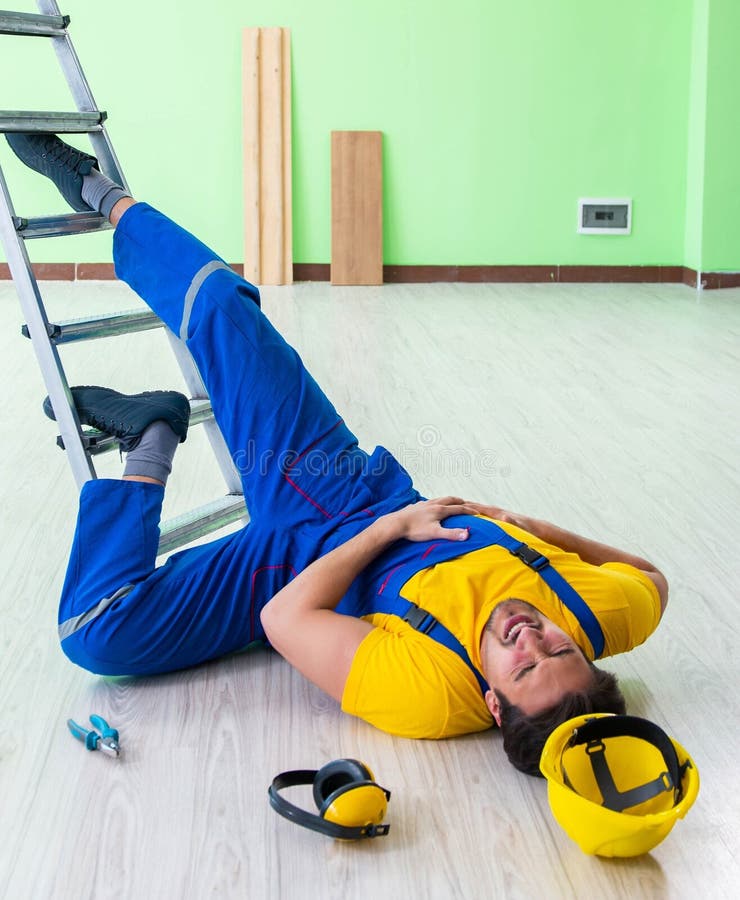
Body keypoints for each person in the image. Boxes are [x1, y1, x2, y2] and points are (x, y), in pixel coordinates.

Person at [6, 134, 668, 775]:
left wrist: (392, 530)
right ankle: (97, 192)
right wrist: (530, 526)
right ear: (588, 653)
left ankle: (150, 437)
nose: (531, 636)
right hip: (340, 491)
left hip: (292, 574)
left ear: (492, 704)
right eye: (561, 650)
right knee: (225, 308)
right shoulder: (602, 615)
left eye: (524, 668)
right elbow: (651, 579)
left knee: (93, 633)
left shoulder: (434, 695)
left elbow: (283, 617)